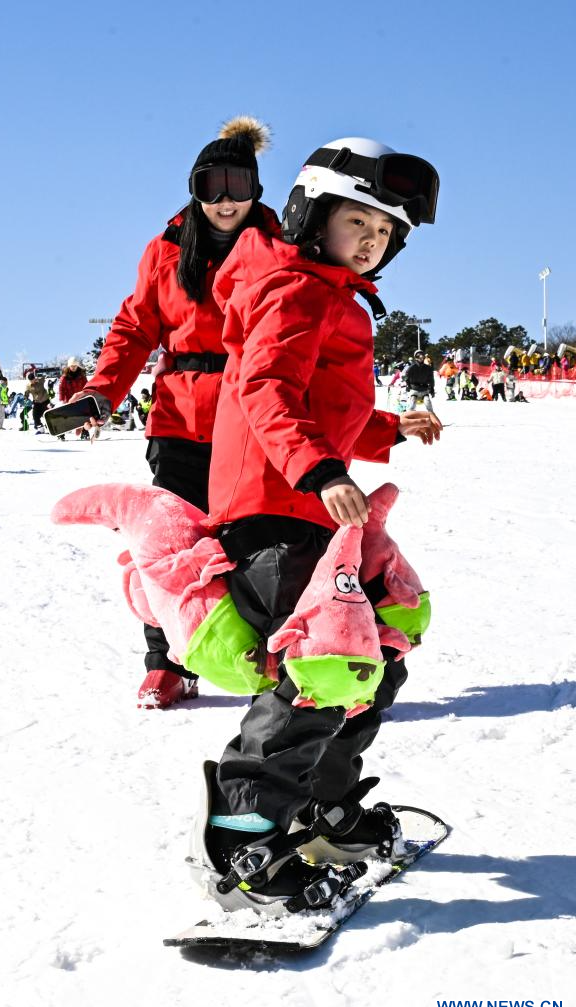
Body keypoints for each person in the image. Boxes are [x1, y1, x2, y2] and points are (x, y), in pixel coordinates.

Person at [190, 136, 441, 914]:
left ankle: (318, 811)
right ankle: (243, 833)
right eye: (356, 222)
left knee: (374, 659)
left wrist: (385, 430)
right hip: (271, 511)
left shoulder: (328, 293)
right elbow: (266, 388)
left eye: (383, 234)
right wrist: (319, 468)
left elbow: (327, 406)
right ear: (308, 214)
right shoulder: (291, 287)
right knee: (318, 672)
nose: (370, 242)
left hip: (307, 509)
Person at [70, 116, 280, 707]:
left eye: (238, 185)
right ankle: (167, 663)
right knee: (171, 546)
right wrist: (101, 392)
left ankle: (266, 650)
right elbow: (135, 327)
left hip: (250, 417)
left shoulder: (279, 248)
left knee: (258, 541)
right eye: (212, 184)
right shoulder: (165, 249)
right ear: (195, 187)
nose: (224, 200)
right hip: (180, 418)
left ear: (256, 189)